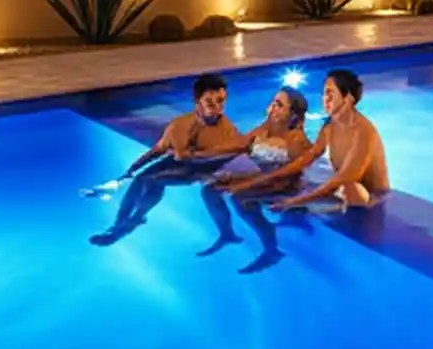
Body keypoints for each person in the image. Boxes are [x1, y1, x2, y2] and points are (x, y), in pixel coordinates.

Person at [89, 73, 242, 246]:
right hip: (185, 163)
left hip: (198, 167)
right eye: (210, 102)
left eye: (221, 101)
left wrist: (217, 172)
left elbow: (236, 150)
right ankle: (120, 223)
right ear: (197, 102)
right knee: (140, 179)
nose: (217, 107)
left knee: (150, 181)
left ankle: (132, 220)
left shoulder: (225, 126)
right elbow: (159, 150)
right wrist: (131, 169)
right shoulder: (181, 126)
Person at [224, 69, 389, 213]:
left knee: (349, 189)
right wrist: (259, 181)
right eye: (324, 93)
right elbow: (307, 157)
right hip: (342, 189)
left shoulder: (363, 132)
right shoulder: (330, 126)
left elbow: (345, 179)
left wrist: (296, 201)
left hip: (371, 197)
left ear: (349, 98)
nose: (325, 99)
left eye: (330, 94)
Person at [196, 87, 314, 273]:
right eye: (273, 102)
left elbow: (285, 178)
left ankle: (271, 250)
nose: (272, 107)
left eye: (280, 105)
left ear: (292, 116)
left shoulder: (296, 141)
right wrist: (201, 154)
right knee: (209, 190)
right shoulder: (266, 127)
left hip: (286, 186)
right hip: (265, 178)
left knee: (241, 198)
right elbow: (241, 144)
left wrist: (242, 183)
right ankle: (227, 234)